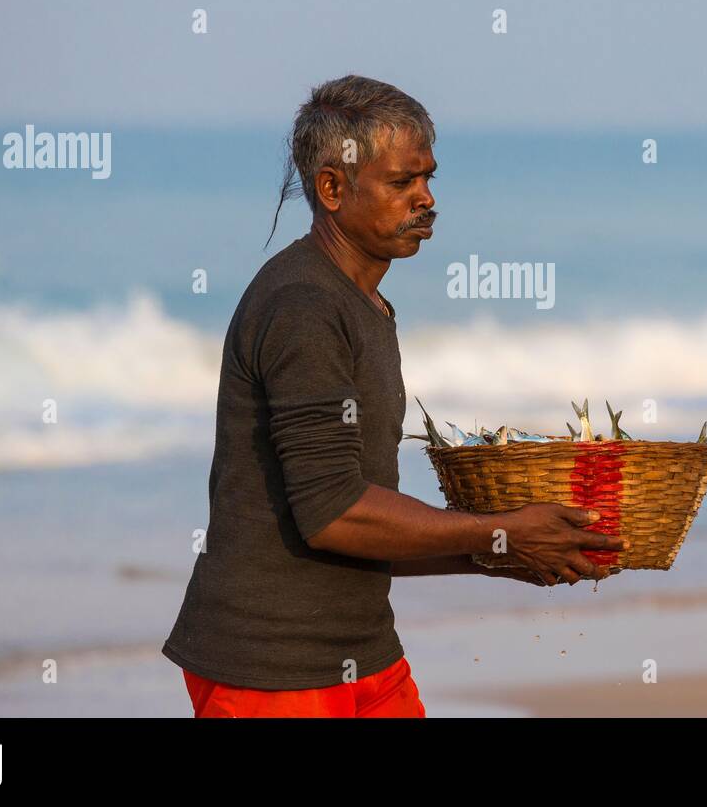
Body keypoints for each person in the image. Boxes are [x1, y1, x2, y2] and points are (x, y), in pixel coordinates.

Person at [161, 74, 627, 717]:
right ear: (332, 188)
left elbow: (361, 523)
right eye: (402, 182)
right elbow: (333, 513)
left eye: (429, 178)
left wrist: (500, 552)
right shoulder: (304, 305)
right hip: (269, 670)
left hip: (364, 655)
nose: (426, 198)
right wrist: (499, 534)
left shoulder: (366, 305)